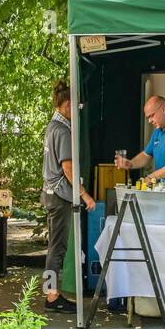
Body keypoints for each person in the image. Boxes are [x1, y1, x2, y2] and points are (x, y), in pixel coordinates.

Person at [41, 79, 95, 312]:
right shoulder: (63, 131)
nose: (78, 111)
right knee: (57, 247)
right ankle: (51, 296)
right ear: (67, 105)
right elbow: (68, 168)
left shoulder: (51, 127)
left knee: (55, 246)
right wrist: (85, 195)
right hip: (59, 195)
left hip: (50, 193)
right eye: (77, 107)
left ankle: (51, 293)